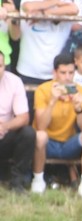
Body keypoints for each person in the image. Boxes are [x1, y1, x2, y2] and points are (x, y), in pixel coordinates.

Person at [31, 53, 82, 200]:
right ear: (54, 73)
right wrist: (52, 101)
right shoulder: (43, 90)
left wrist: (78, 108)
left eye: (71, 72)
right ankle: (38, 179)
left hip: (68, 143)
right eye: (63, 73)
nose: (67, 77)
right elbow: (41, 126)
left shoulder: (81, 91)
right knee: (40, 135)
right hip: (47, 142)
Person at [0, 50, 33, 190]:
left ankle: (17, 181)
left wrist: (5, 126)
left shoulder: (14, 81)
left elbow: (23, 117)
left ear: (5, 66)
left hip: (4, 135)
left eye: (0, 66)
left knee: (28, 133)